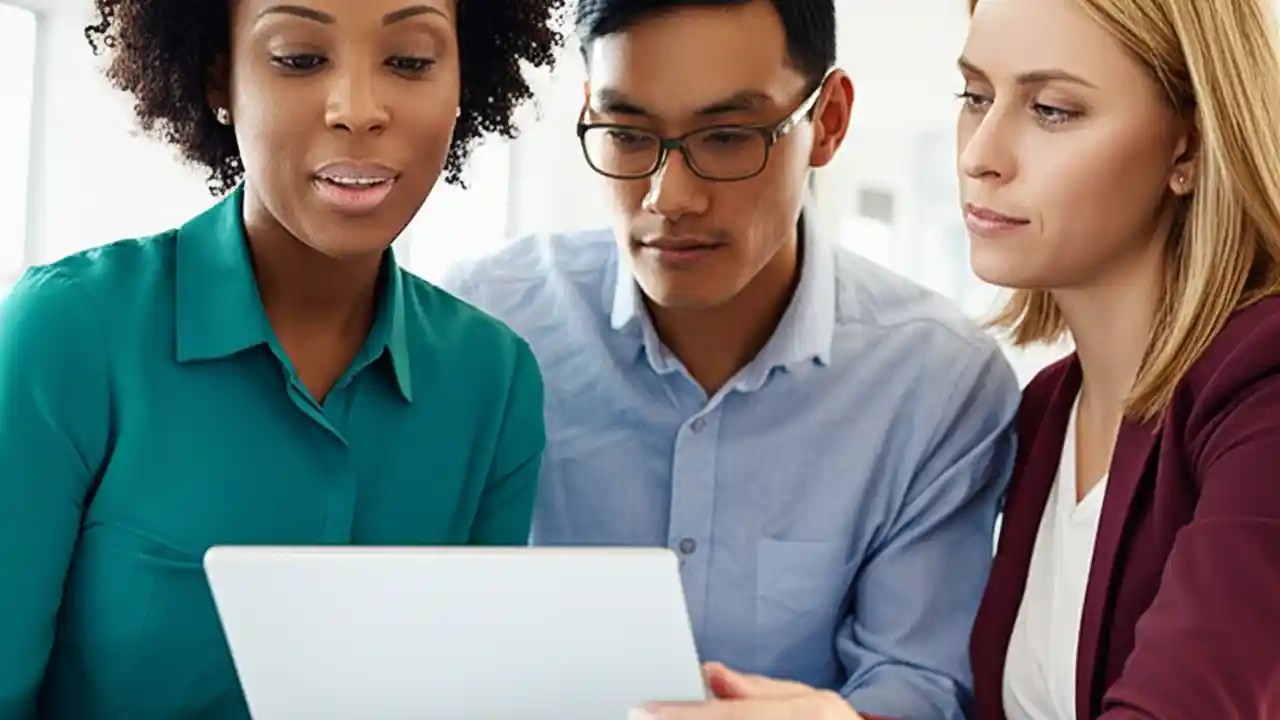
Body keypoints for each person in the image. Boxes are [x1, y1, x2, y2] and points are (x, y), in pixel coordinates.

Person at [631, 0, 1280, 717]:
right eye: (975, 97)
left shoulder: (1264, 385)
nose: (979, 156)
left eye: (1054, 110)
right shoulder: (1048, 409)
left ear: (1187, 146)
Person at [440, 1, 1020, 718]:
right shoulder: (483, 326)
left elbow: (921, 687)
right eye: (627, 133)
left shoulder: (937, 382)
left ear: (828, 121)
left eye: (726, 138)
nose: (669, 197)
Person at [0, 0, 562, 717]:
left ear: (463, 84)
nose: (358, 110)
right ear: (218, 82)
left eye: (410, 61)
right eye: (299, 58)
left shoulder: (495, 379)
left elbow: (473, 698)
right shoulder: (69, 332)